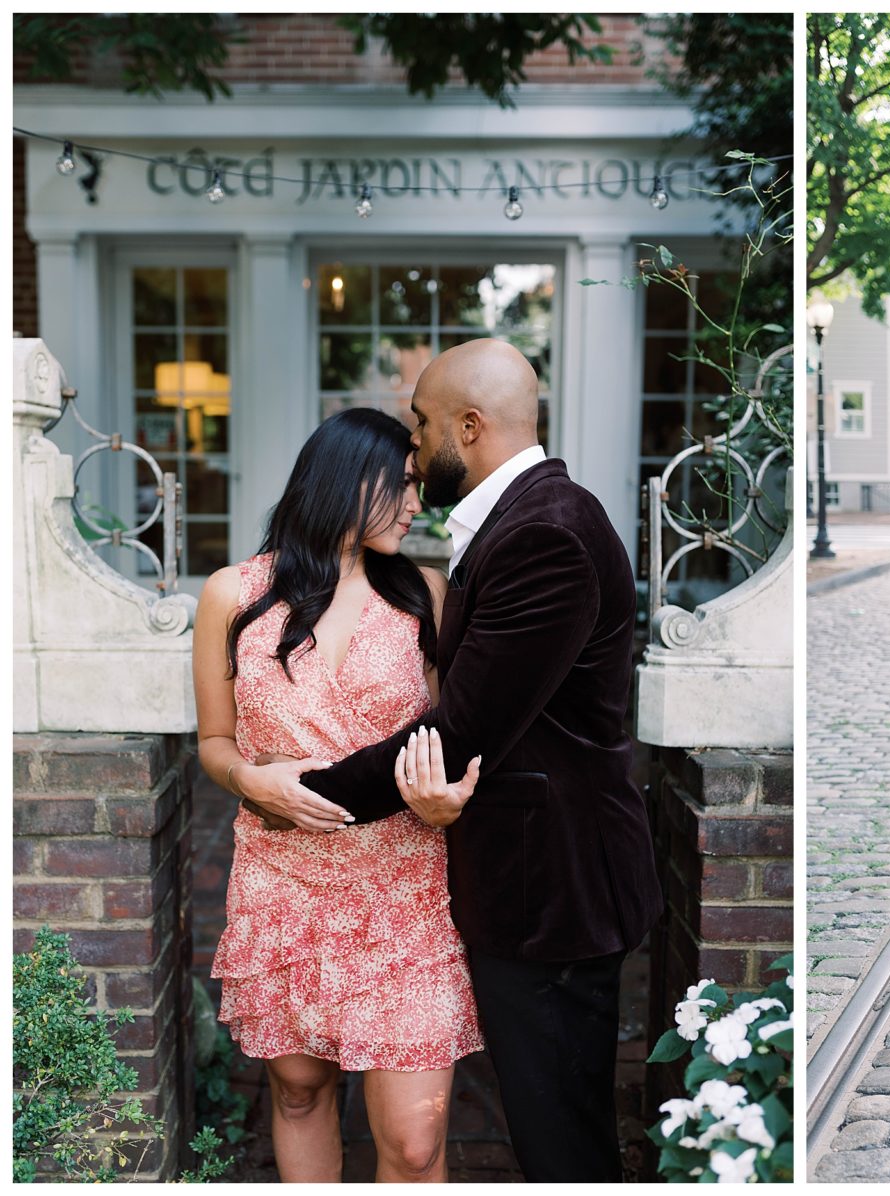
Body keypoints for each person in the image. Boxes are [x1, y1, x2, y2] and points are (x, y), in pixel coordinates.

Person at [256, 338, 664, 1181]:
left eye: (422, 422)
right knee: (552, 1129)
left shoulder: (545, 533)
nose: (413, 444)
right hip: (530, 885)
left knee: (563, 1146)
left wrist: (299, 796)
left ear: (469, 427)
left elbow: (459, 730)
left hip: (554, 890)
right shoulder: (521, 521)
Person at [194, 409, 483, 1182]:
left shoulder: (424, 594)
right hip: (282, 881)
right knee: (298, 1090)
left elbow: (455, 737)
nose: (417, 506)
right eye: (404, 486)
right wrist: (247, 778)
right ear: (349, 480)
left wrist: (448, 801)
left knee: (416, 1141)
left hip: (401, 887)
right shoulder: (232, 594)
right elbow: (214, 742)